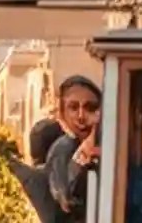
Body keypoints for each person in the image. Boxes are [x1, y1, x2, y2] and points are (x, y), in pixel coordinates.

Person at [45, 75, 104, 222]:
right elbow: (67, 200)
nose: (81, 116)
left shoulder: (107, 145)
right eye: (73, 107)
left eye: (90, 108)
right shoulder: (62, 149)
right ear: (63, 113)